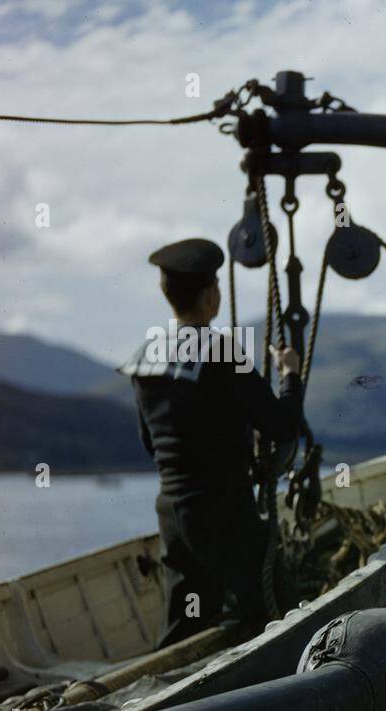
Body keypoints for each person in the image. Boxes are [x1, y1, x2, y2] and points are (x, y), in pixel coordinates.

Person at [118, 238, 302, 648]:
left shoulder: (146, 355)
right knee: (284, 616)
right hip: (224, 517)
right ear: (210, 295)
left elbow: (151, 442)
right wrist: (290, 374)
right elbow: (280, 425)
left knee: (185, 631)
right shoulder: (222, 352)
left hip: (173, 515)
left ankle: (165, 707)